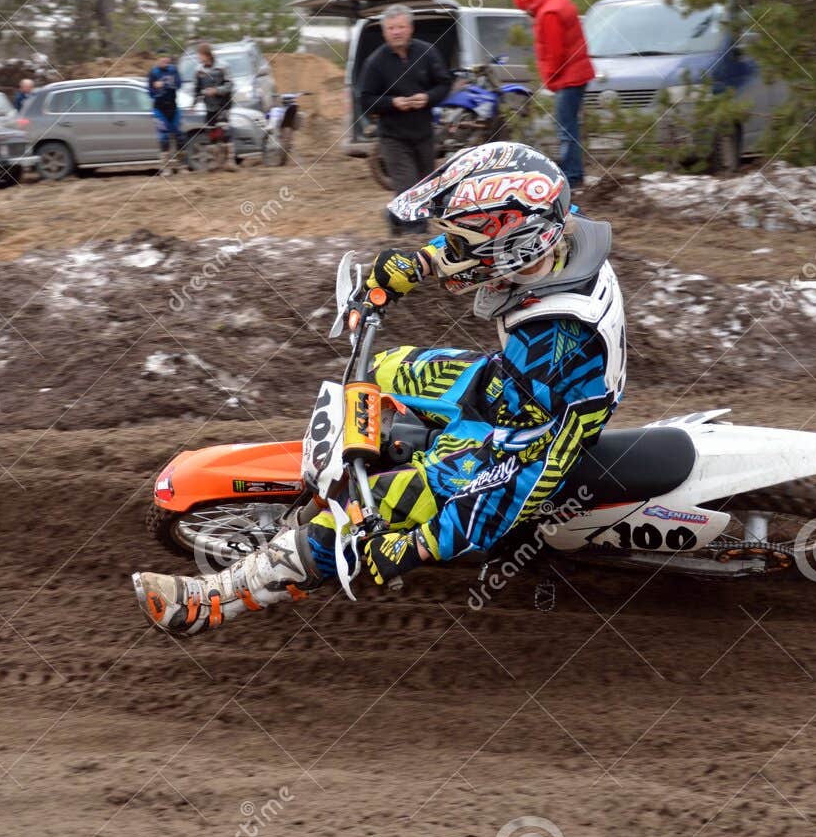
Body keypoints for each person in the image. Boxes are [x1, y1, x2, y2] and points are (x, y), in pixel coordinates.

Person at [133, 142, 627, 634]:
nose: (450, 248)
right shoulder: (558, 238)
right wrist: (421, 264)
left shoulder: (558, 339)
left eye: (458, 242)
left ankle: (212, 601)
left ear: (511, 248)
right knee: (384, 368)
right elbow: (494, 240)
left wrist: (417, 546)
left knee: (366, 512)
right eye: (450, 240)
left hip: (528, 435)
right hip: (509, 388)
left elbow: (529, 475)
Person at [357, 4, 453, 226]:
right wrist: (393, 102)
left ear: (410, 28)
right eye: (391, 28)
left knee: (425, 188)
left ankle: (392, 217)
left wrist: (428, 98)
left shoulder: (427, 52)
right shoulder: (375, 62)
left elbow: (444, 84)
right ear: (384, 32)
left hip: (424, 134)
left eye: (400, 27)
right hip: (393, 137)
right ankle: (414, 242)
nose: (396, 32)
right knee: (409, 189)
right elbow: (365, 100)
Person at [513, 0, 596, 190]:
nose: (527, 14)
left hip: (568, 79)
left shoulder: (548, 14)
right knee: (570, 127)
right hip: (577, 75)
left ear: (528, 4)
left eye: (525, 10)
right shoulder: (558, 2)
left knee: (565, 130)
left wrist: (549, 78)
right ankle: (574, 172)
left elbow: (555, 54)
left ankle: (573, 177)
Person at [192, 42, 237, 171]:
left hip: (224, 105)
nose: (198, 58)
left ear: (207, 55)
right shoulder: (199, 70)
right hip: (209, 107)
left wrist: (216, 90)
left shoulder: (223, 66)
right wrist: (194, 103)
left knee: (225, 131)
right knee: (212, 134)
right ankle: (215, 162)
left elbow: (230, 85)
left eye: (200, 55)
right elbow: (196, 89)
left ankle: (230, 161)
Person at [147, 51, 183, 175]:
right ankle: (165, 168)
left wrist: (167, 83)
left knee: (179, 137)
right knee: (164, 138)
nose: (165, 61)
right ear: (157, 59)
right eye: (162, 58)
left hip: (173, 107)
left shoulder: (173, 70)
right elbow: (150, 93)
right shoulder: (153, 73)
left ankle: (181, 166)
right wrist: (155, 87)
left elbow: (179, 85)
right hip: (159, 109)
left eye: (167, 58)